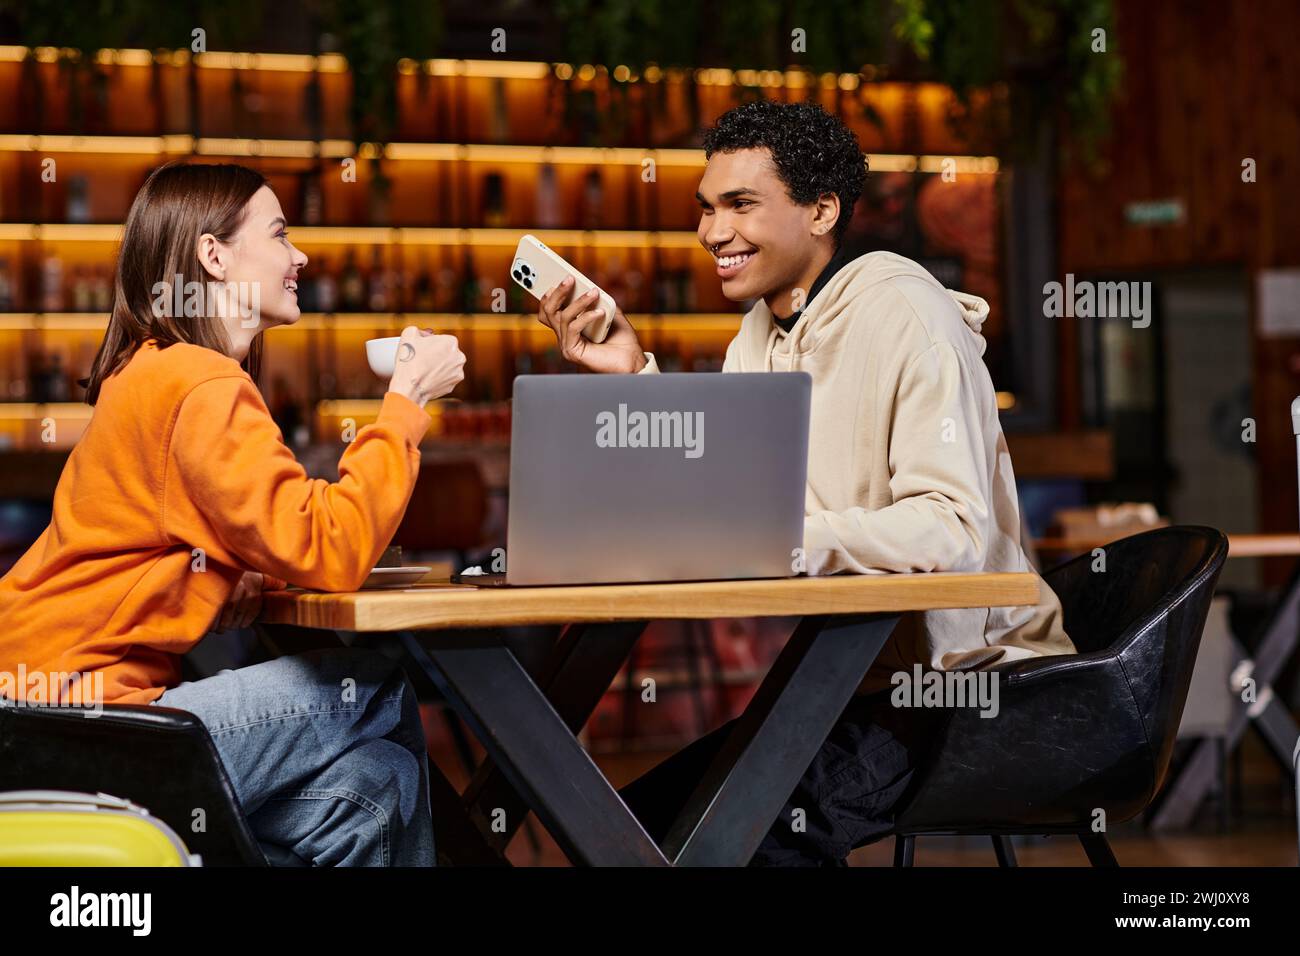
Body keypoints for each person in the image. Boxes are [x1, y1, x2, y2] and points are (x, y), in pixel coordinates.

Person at [537, 99, 1077, 865]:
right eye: (706, 208)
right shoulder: (762, 335)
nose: (710, 232)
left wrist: (783, 540)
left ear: (822, 210)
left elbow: (954, 531)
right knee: (633, 825)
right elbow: (720, 492)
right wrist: (630, 371)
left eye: (740, 205)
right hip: (850, 689)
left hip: (969, 695)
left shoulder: (910, 316)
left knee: (725, 843)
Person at [0, 162, 466, 867]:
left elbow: (147, 542)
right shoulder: (198, 379)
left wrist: (214, 581)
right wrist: (405, 403)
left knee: (377, 788)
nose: (300, 255)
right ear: (213, 257)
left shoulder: (152, 369)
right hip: (87, 735)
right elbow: (329, 547)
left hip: (34, 723)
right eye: (280, 234)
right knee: (372, 688)